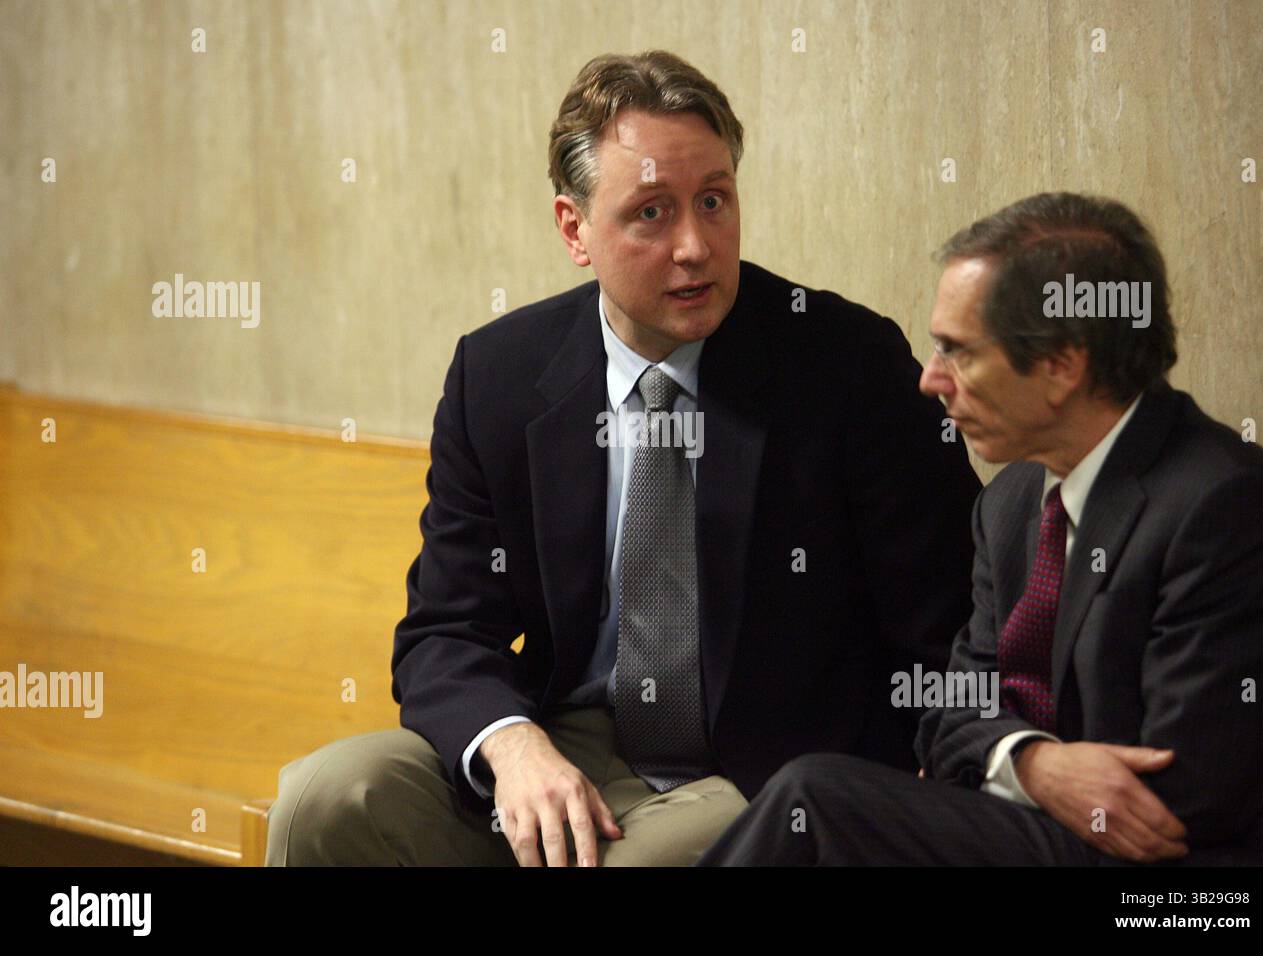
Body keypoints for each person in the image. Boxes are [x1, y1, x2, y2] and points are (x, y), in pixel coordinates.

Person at [265, 50, 980, 867]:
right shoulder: (498, 376)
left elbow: (945, 623)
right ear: (575, 229)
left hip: (761, 766)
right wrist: (514, 747)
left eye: (714, 201)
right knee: (326, 800)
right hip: (567, 739)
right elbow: (447, 630)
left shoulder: (844, 362)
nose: (695, 247)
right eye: (651, 213)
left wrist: (934, 784)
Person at [698, 192, 1263, 866]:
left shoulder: (1224, 504)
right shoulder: (1012, 500)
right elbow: (948, 713)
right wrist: (1032, 763)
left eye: (958, 352)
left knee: (817, 800)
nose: (931, 381)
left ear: (1061, 365)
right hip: (1036, 829)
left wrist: (987, 759)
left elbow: (1180, 794)